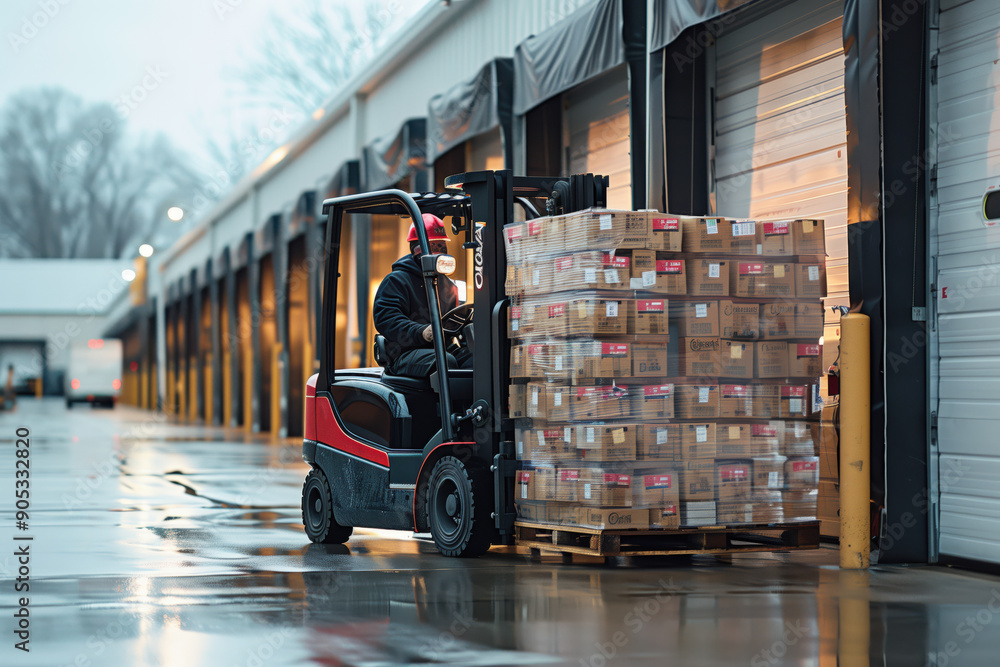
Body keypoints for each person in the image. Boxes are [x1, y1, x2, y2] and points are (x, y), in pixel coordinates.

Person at [373, 213, 471, 377]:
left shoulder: (447, 284)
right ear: (417, 248)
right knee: (446, 362)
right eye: (435, 246)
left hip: (441, 347)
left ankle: (473, 403)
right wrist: (421, 332)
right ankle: (442, 403)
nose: (440, 251)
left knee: (478, 360)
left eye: (442, 245)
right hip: (404, 353)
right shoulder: (397, 281)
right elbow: (387, 319)